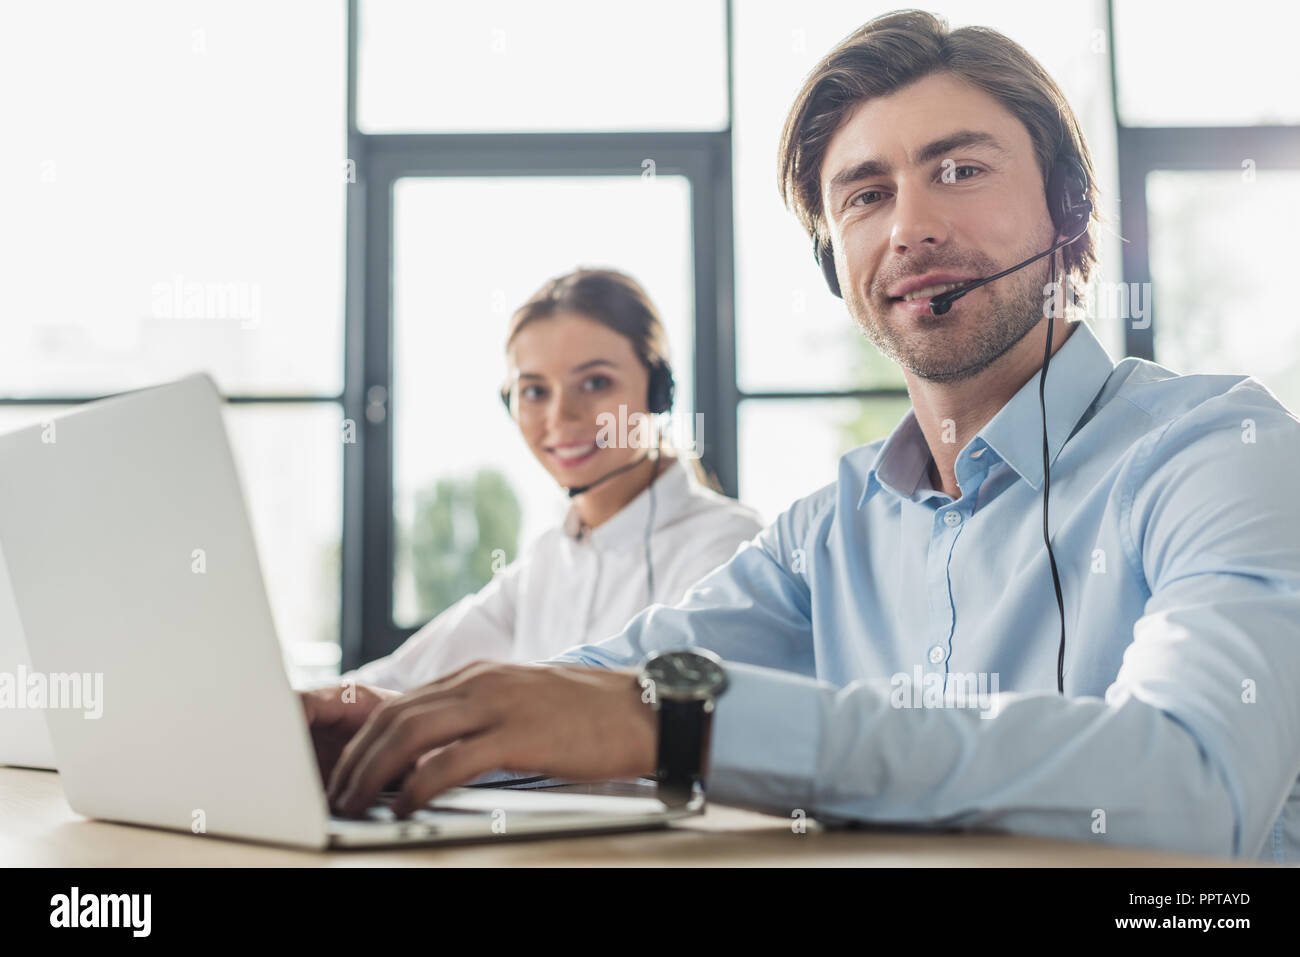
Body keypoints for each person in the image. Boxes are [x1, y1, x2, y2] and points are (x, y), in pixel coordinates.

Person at [308, 11, 1300, 863]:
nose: (909, 227)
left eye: (957, 169)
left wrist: (682, 724)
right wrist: (374, 729)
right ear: (837, 264)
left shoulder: (1217, 451)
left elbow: (1196, 782)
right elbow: (592, 692)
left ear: (1070, 213)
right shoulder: (824, 536)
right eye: (865, 195)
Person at [333, 267, 762, 694]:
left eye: (595, 382)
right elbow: (403, 677)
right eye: (535, 391)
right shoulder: (546, 561)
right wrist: (316, 706)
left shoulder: (729, 547)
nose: (559, 418)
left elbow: (685, 723)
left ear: (658, 392)